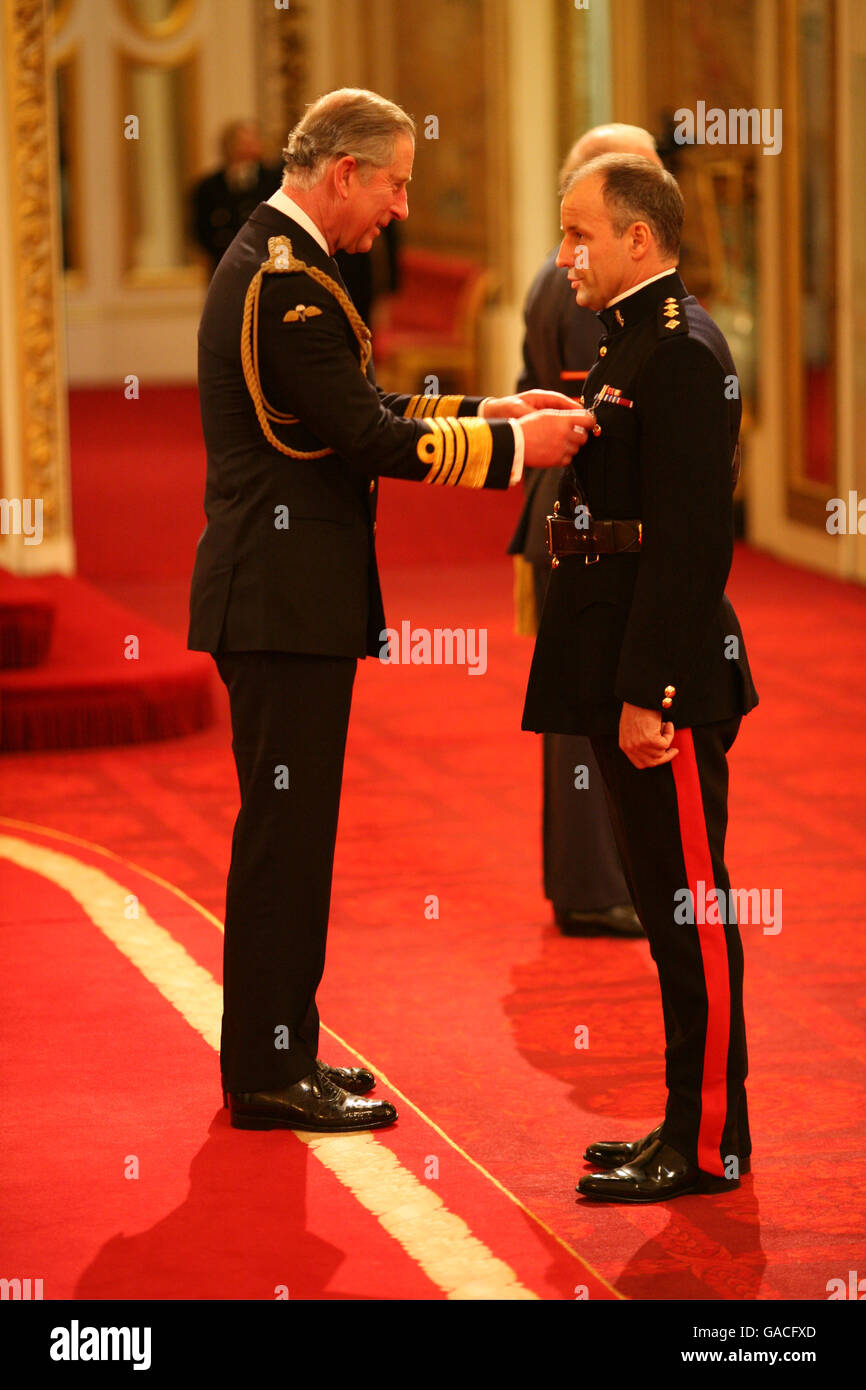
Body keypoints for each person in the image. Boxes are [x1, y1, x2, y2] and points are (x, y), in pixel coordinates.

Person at [188, 88, 594, 1135]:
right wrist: (514, 454)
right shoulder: (288, 287)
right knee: (286, 836)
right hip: (279, 601)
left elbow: (352, 413)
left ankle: (281, 1050)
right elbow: (369, 443)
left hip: (286, 596)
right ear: (341, 174)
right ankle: (269, 1073)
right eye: (395, 182)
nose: (402, 206)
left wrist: (491, 408)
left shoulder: (292, 270)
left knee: (293, 833)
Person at [522, 154, 759, 1201]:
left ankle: (708, 1143)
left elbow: (691, 543)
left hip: (659, 679)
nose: (563, 253)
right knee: (664, 913)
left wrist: (648, 692)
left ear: (637, 238)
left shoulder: (681, 349)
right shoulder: (629, 338)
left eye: (579, 233)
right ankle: (675, 1125)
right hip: (611, 651)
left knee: (690, 915)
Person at [509, 124, 663, 941]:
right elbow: (591, 424)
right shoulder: (579, 284)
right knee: (580, 719)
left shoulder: (553, 275)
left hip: (565, 519)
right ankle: (592, 887)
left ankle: (596, 882)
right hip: (579, 522)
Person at [192, 120, 283, 273]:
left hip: (266, 263)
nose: (248, 147)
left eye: (252, 141)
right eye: (241, 142)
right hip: (225, 263)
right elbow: (201, 230)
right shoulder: (208, 187)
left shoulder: (275, 180)